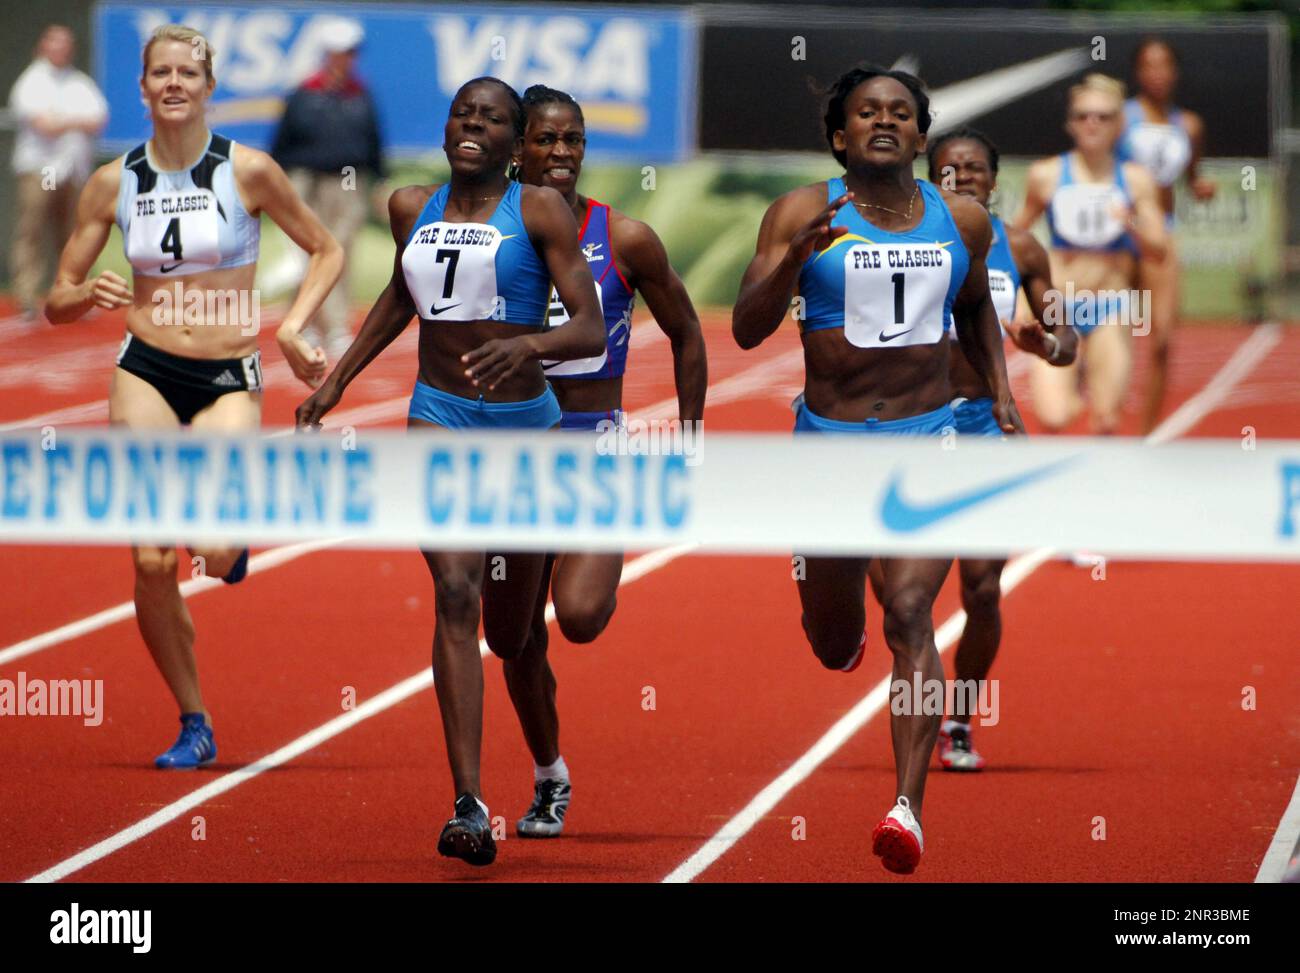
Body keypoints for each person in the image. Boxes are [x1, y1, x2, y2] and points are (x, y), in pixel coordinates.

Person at [294, 77, 604, 867]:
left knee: (512, 633)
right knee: (455, 592)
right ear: (445, 130)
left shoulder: (538, 211)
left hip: (527, 432)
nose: (475, 125)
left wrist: (527, 346)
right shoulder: (410, 207)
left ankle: (550, 766)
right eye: (465, 114)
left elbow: (588, 326)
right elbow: (402, 294)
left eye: (493, 119)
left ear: (514, 138)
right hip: (439, 418)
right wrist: (337, 381)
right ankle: (468, 803)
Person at [732, 65, 1021, 875]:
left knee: (911, 613)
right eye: (867, 113)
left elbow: (975, 313)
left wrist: (998, 393)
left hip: (927, 442)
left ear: (922, 136)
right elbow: (750, 329)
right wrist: (793, 259)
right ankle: (839, 621)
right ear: (839, 134)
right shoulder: (799, 211)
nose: (884, 122)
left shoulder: (960, 221)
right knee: (832, 643)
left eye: (901, 113)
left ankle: (906, 806)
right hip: (826, 446)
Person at [44, 24, 343, 768]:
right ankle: (193, 719)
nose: (174, 83)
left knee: (210, 546)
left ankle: (229, 542)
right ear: (142, 88)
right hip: (145, 366)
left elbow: (328, 248)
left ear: (209, 86)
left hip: (225, 375)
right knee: (150, 561)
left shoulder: (250, 171)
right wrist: (84, 294)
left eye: (188, 72)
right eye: (160, 73)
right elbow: (53, 298)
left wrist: (295, 326)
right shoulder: (113, 182)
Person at [503, 84, 708, 838]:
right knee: (516, 637)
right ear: (517, 147)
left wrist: (687, 440)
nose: (561, 153)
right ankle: (549, 773)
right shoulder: (489, 231)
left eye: (573, 140)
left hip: (594, 445)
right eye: (546, 140)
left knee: (581, 616)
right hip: (509, 447)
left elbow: (688, 330)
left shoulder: (623, 236)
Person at [923, 127, 1078, 771]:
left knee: (982, 590)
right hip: (912, 428)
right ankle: (917, 689)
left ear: (994, 179)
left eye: (974, 169)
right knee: (899, 597)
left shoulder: (1020, 248)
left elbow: (1066, 337)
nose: (961, 178)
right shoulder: (900, 243)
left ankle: (957, 716)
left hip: (988, 425)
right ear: (930, 179)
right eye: (948, 170)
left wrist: (1045, 344)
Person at [1013, 73, 1166, 435]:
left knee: (1106, 420)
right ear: (1070, 122)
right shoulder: (1046, 174)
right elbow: (1014, 237)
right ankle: (1076, 377)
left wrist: (1131, 224)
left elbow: (1158, 250)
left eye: (1103, 116)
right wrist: (1019, 296)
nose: (1092, 123)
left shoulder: (1136, 179)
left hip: (1111, 305)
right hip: (1057, 304)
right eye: (1083, 115)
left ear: (1119, 123)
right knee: (1053, 417)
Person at [269, 18, 385, 359]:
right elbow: (282, 143)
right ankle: (302, 322)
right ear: (328, 54)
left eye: (351, 53)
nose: (347, 59)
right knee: (305, 252)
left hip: (349, 179)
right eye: (341, 52)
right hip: (305, 180)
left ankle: (335, 327)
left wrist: (379, 181)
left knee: (340, 251)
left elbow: (374, 141)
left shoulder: (361, 95)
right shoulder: (304, 92)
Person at [1119, 38, 1215, 434]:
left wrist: (1201, 187)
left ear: (1174, 72)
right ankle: (1102, 413)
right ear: (1138, 72)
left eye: (1164, 65)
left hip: (1164, 234)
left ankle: (1148, 435)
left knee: (1161, 340)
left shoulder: (1188, 125)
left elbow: (1192, 179)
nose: (1157, 73)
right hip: (1121, 233)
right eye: (1148, 65)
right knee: (1105, 328)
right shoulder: (1121, 118)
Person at [9, 24, 107, 321]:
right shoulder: (31, 82)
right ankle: (27, 295)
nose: (61, 49)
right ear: (43, 46)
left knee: (73, 232)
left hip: (72, 169)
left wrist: (64, 120)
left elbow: (98, 120)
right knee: (34, 229)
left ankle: (73, 294)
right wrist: (76, 120)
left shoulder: (79, 83)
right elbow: (44, 126)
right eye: (55, 43)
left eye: (66, 43)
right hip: (44, 169)